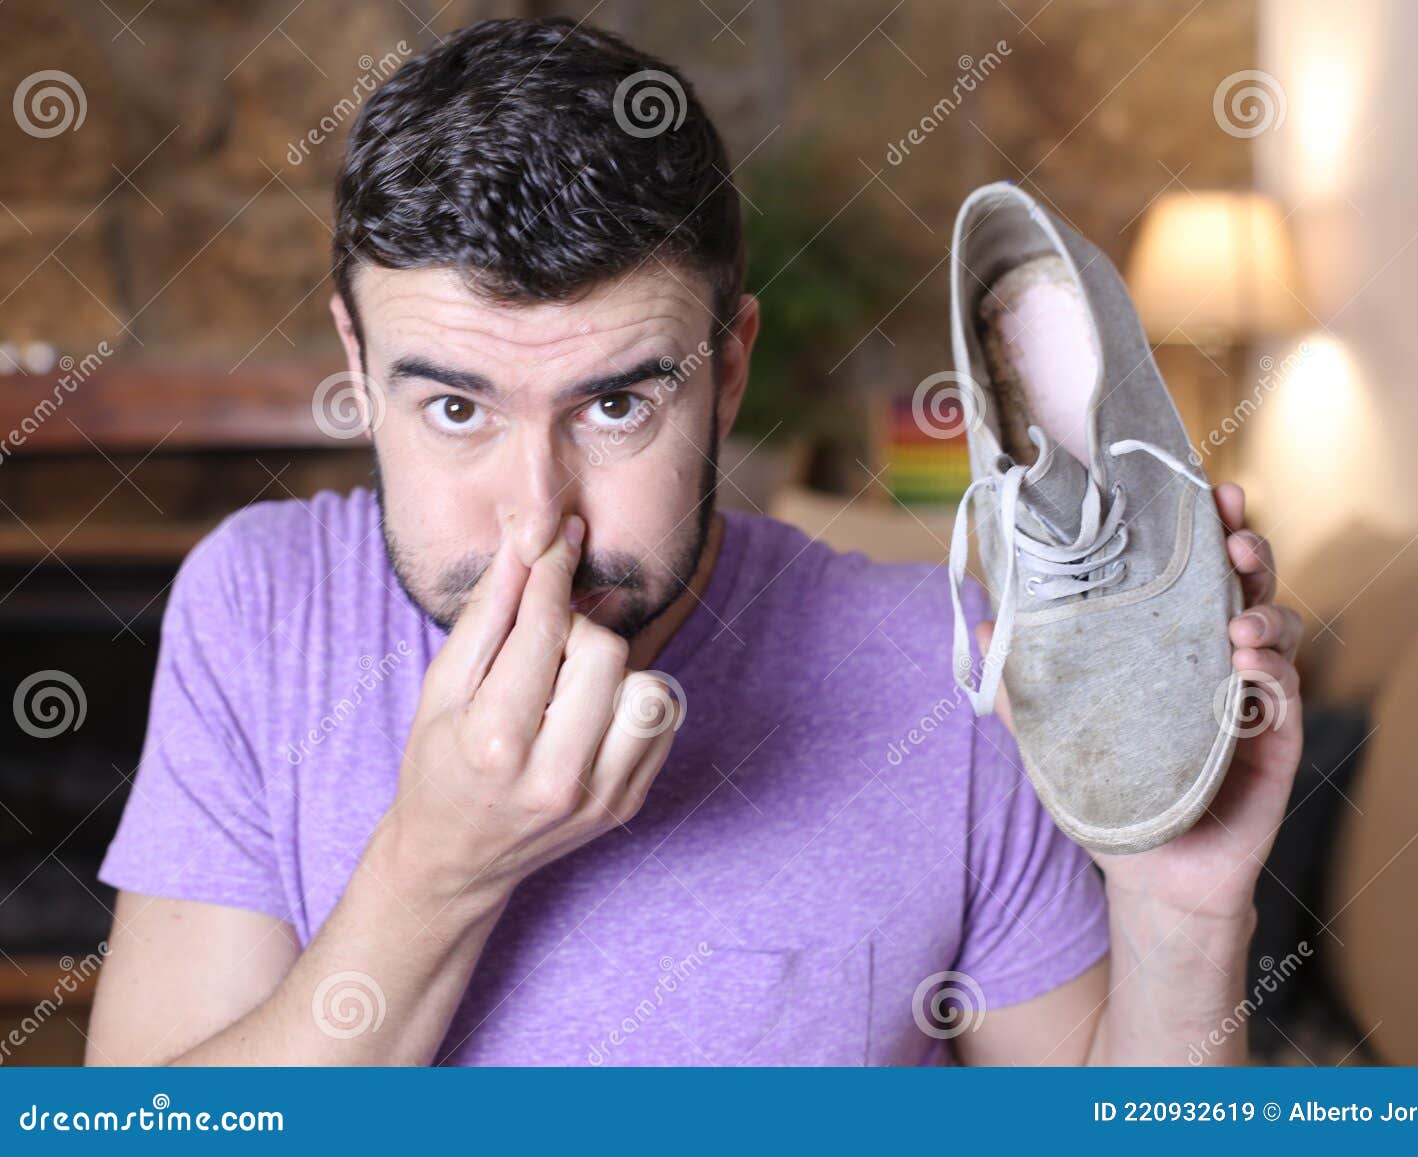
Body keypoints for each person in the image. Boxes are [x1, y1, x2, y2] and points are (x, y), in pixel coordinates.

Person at [86, 16, 1303, 1066]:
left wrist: (1182, 918)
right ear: (357, 369)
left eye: (615, 404)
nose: (537, 516)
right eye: (455, 407)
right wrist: (437, 868)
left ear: (725, 373)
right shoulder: (261, 606)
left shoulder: (952, 667)